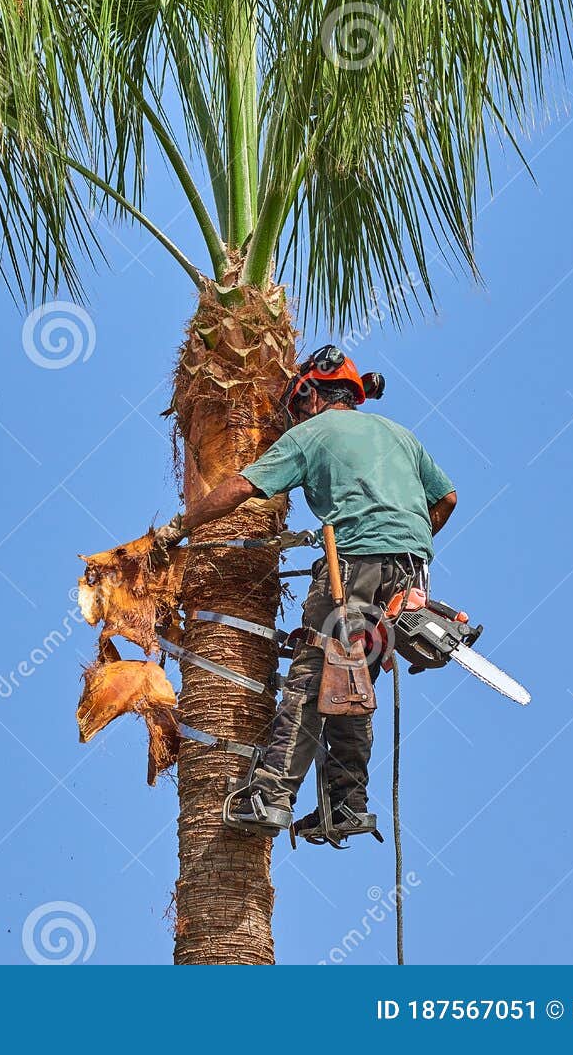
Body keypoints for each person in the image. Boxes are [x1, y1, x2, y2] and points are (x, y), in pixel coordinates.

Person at [163, 345, 457, 840]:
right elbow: (446, 498)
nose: (295, 417)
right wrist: (403, 542)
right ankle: (345, 805)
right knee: (347, 684)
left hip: (352, 569)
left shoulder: (310, 434)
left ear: (312, 396)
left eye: (297, 407)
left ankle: (269, 794)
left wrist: (179, 526)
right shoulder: (401, 436)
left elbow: (240, 488)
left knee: (312, 674)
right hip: (411, 576)